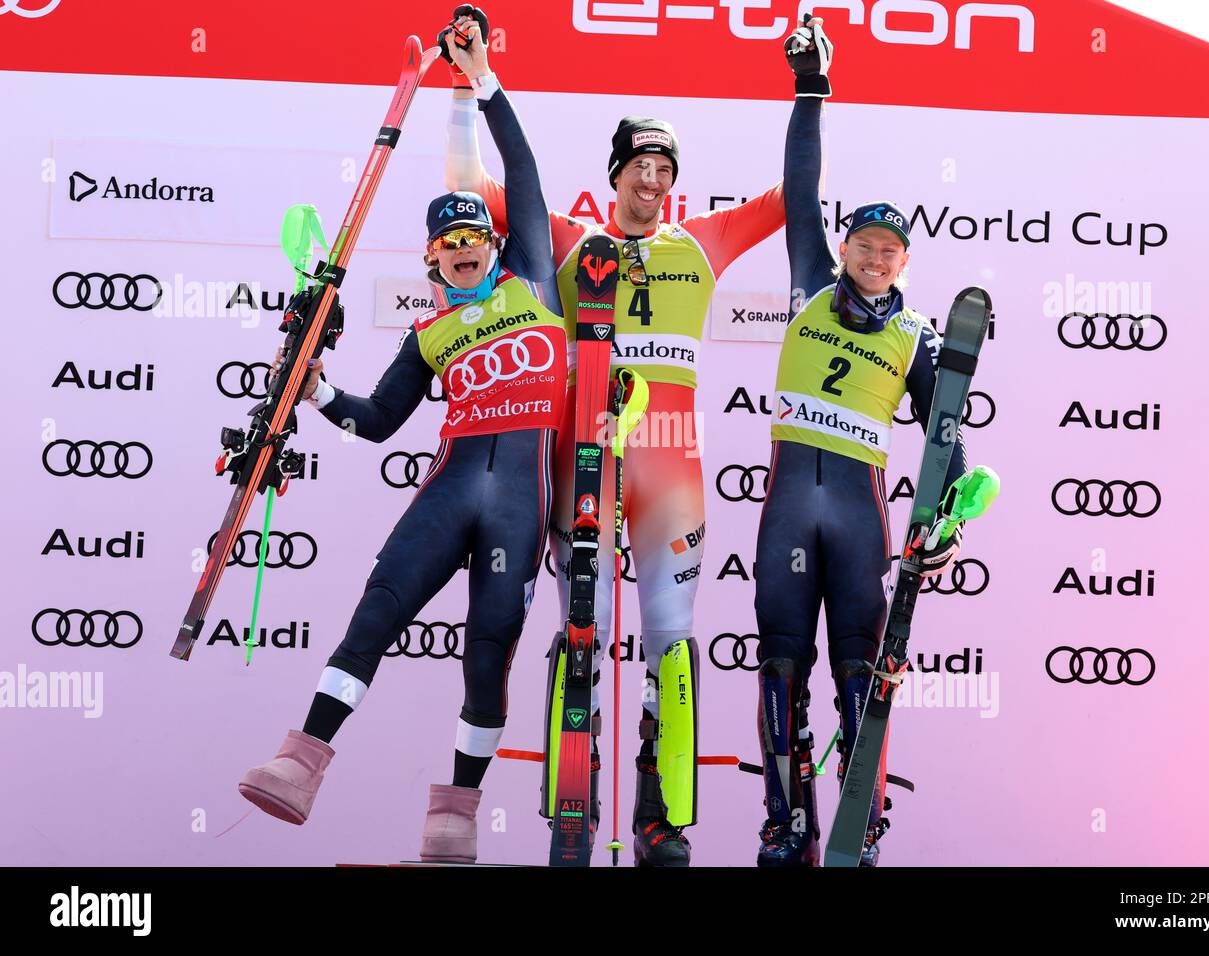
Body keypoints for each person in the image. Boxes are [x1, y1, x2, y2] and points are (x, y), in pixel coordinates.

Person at [442, 8, 787, 867]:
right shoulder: (567, 241)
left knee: (671, 639)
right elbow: (472, 181)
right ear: (617, 171)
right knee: (581, 631)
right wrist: (466, 87)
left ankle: (660, 816)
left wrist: (809, 92)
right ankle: (573, 806)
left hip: (672, 462)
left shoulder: (702, 242)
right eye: (641, 164)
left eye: (666, 167)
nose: (655, 178)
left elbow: (796, 198)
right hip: (582, 456)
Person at [235, 17, 567, 865]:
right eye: (449, 244)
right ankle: (298, 764)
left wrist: (484, 80)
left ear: (496, 243)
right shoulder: (427, 335)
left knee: (487, 657)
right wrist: (316, 394)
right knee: (376, 615)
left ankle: (455, 818)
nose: (465, 252)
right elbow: (377, 420)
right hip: (451, 489)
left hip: (518, 510)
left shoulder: (535, 276)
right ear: (431, 258)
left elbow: (522, 171)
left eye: (475, 239)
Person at [753, 17, 967, 867]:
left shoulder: (915, 334)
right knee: (778, 668)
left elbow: (943, 434)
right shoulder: (811, 280)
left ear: (903, 262)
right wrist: (811, 89)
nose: (876, 258)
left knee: (857, 679)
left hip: (856, 513)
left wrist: (952, 512)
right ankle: (783, 821)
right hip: (786, 514)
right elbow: (799, 192)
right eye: (865, 245)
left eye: (891, 250)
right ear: (844, 249)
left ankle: (859, 824)